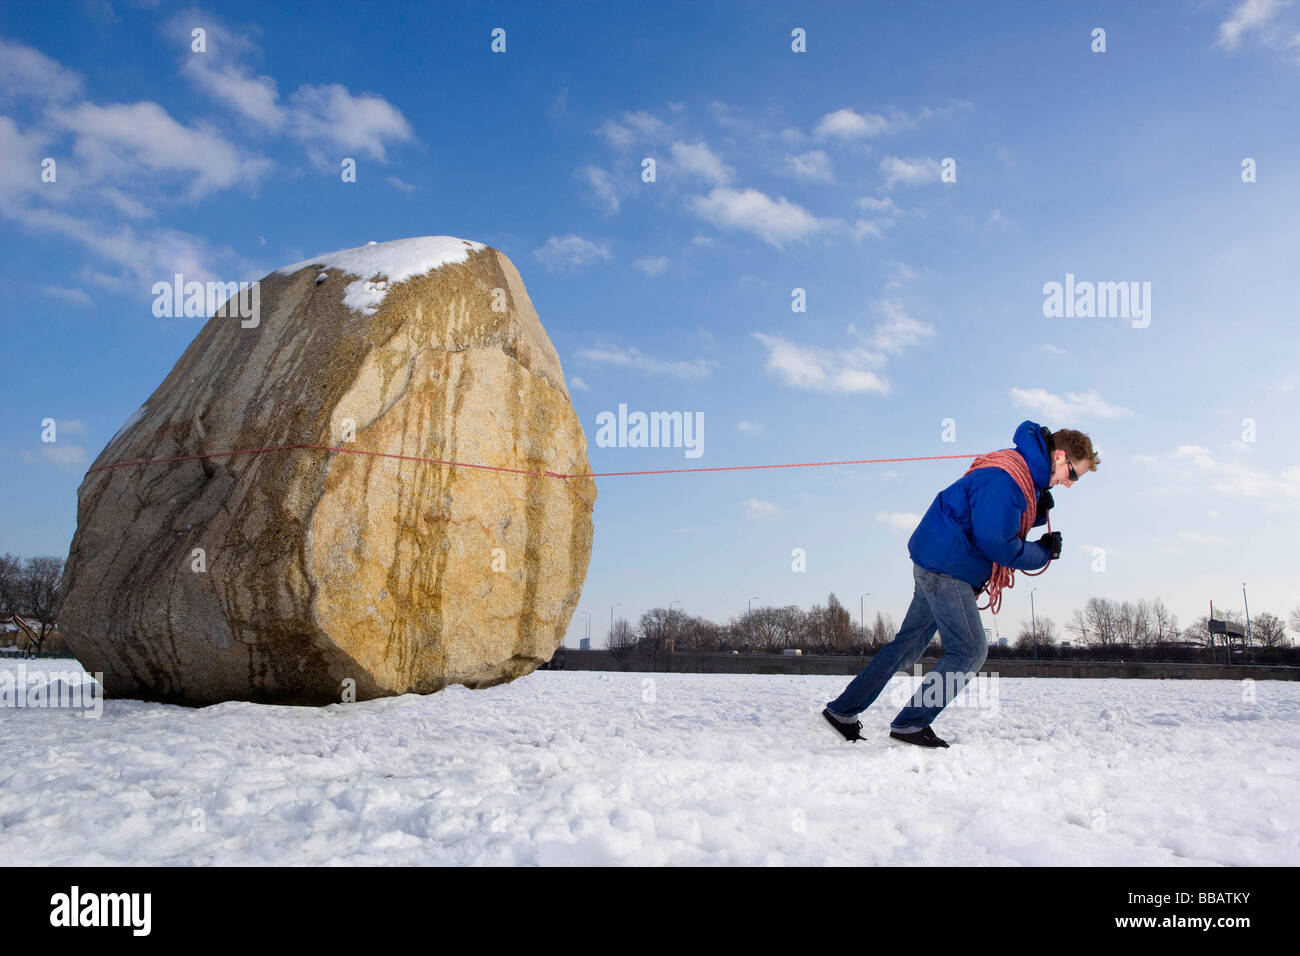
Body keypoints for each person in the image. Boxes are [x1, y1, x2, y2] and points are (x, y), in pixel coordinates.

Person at [822, 420, 1098, 748]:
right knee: (969, 650)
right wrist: (1042, 551)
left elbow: (994, 514)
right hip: (947, 568)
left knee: (906, 646)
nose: (1069, 484)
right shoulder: (1006, 479)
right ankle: (910, 724)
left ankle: (842, 711)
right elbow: (998, 543)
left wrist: (1037, 512)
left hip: (938, 560)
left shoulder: (1017, 472)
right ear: (1060, 457)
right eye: (1073, 476)